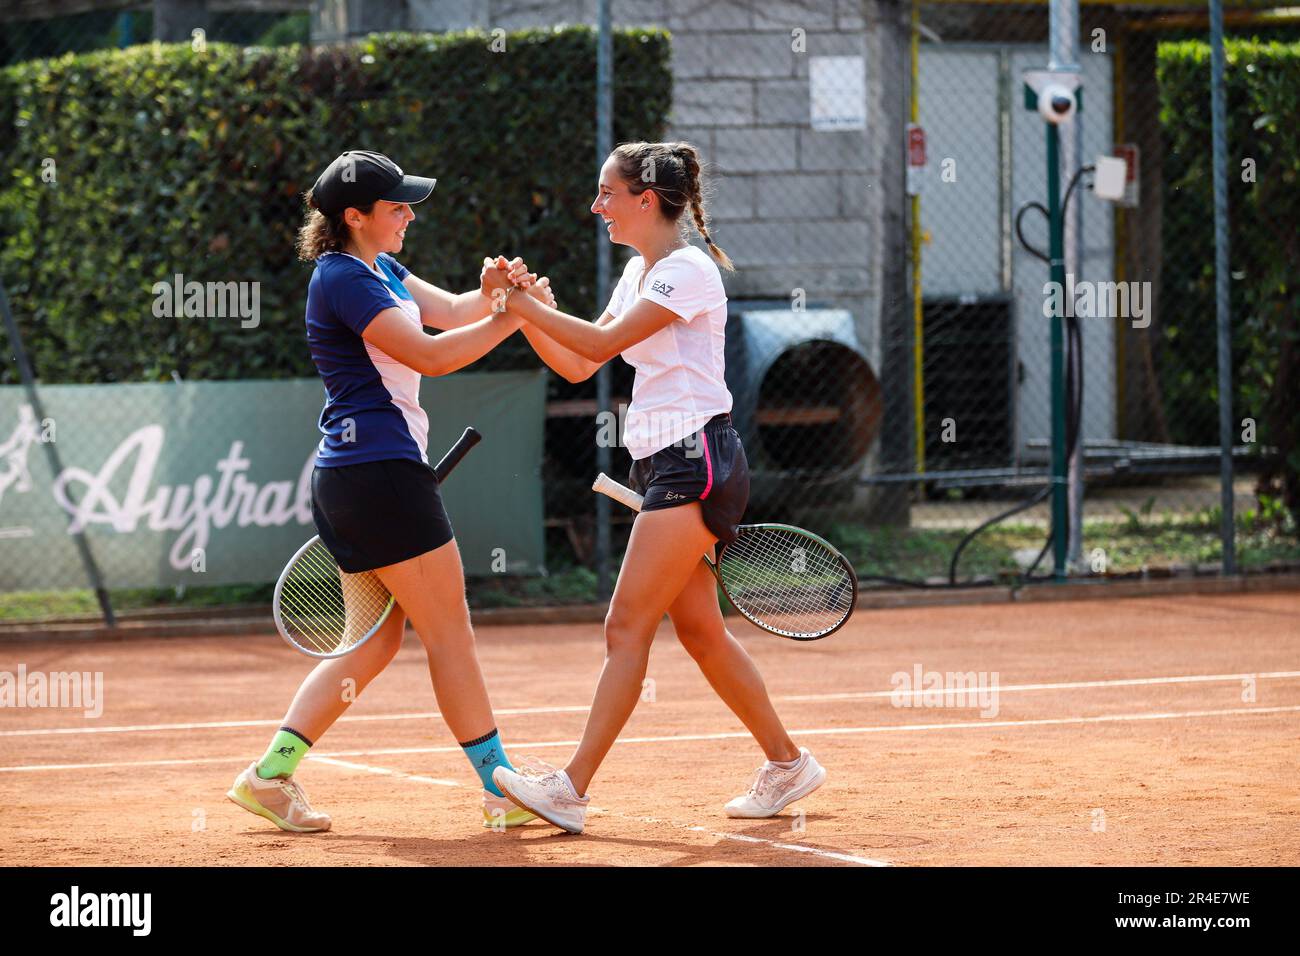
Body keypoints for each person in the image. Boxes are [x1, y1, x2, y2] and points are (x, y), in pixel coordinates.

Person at [485, 141, 825, 834]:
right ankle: (788, 764)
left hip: (694, 459)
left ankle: (571, 788)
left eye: (606, 193)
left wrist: (526, 304)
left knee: (625, 626)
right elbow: (580, 362)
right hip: (663, 464)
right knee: (701, 633)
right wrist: (522, 311)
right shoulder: (638, 273)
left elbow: (600, 346)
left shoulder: (688, 271)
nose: (596, 206)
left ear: (645, 199)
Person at [226, 150, 550, 832]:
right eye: (397, 205)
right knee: (451, 635)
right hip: (378, 474)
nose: (408, 213)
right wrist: (516, 317)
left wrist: (494, 294)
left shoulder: (380, 267)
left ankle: (270, 776)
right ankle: (501, 790)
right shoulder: (342, 278)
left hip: (357, 476)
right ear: (355, 217)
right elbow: (428, 352)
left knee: (369, 642)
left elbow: (453, 313)